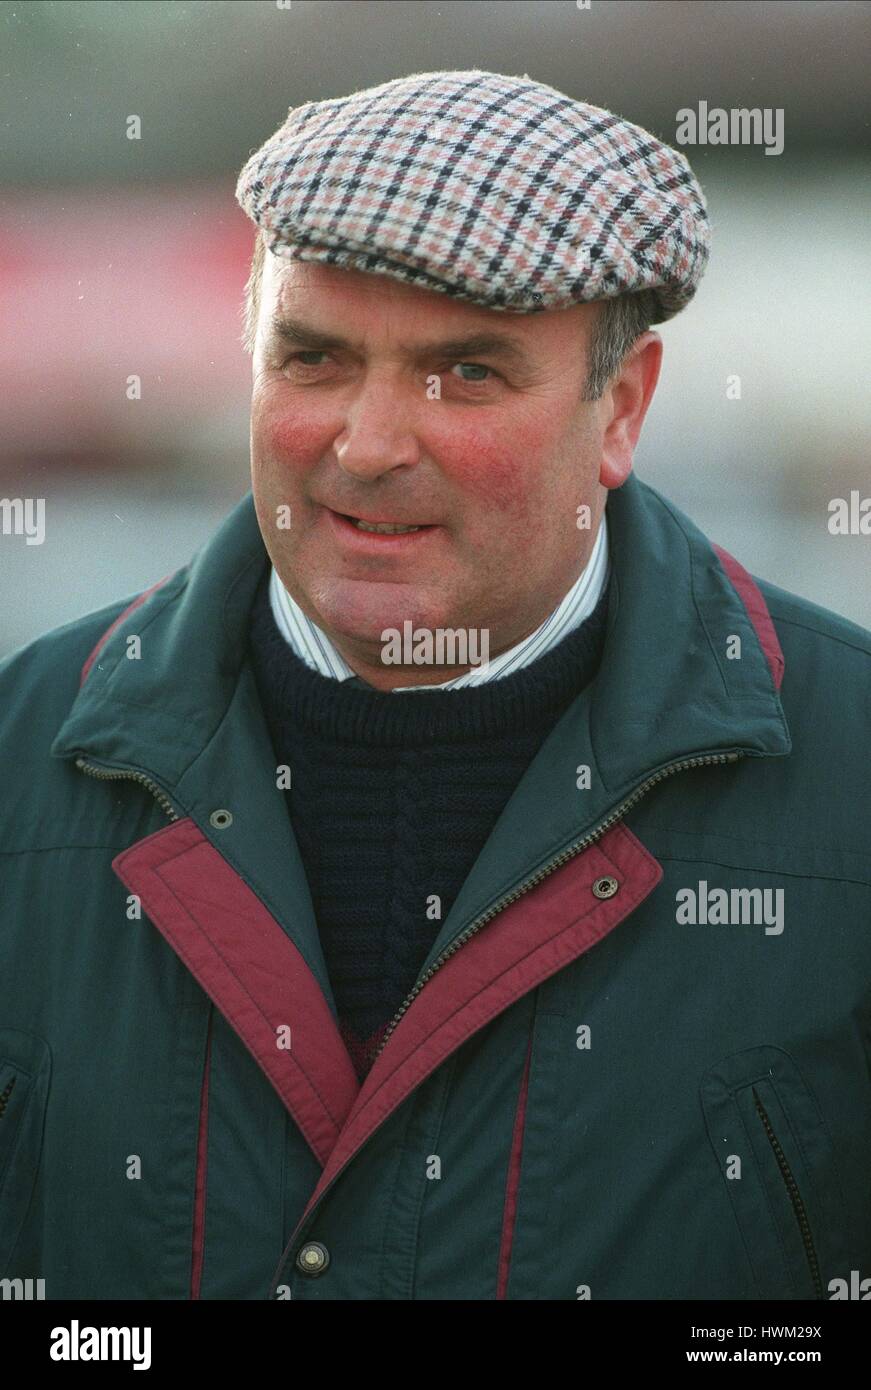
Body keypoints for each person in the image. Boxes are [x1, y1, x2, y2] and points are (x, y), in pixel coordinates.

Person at [1, 69, 868, 1302]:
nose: (364, 443)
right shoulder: (25, 754)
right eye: (312, 358)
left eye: (465, 374)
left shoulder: (849, 771)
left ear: (619, 409)